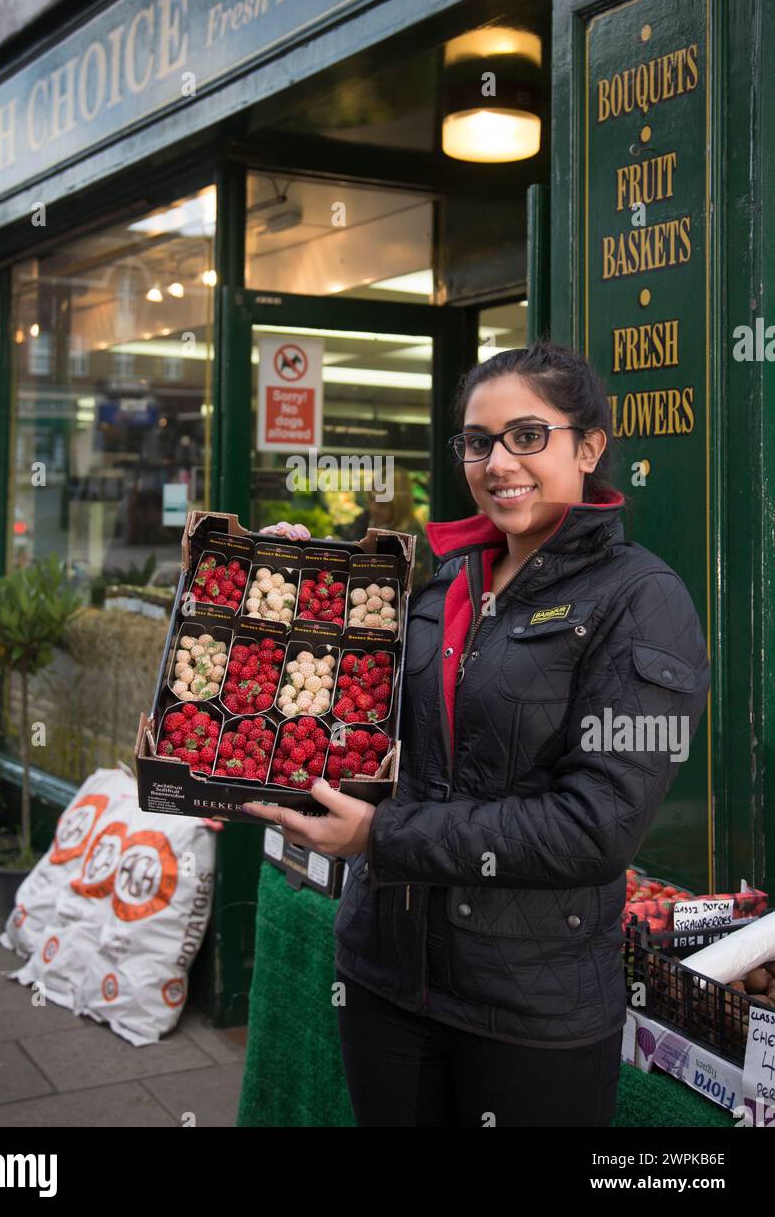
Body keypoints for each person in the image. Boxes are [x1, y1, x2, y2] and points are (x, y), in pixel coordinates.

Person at [242, 340, 710, 1128]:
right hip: (385, 977)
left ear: (587, 447)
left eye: (528, 436)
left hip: (530, 1011)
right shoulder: (441, 583)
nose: (499, 462)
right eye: (478, 441)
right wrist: (298, 595)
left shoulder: (643, 601)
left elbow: (595, 829)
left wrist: (381, 837)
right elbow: (359, 724)